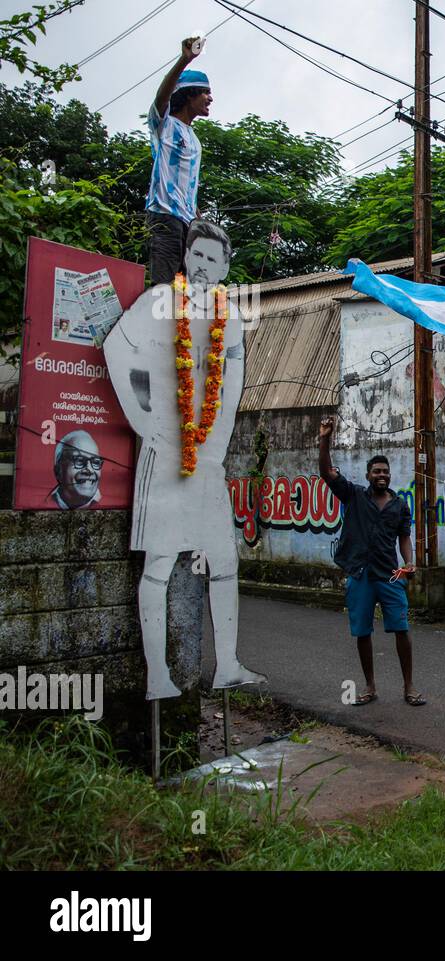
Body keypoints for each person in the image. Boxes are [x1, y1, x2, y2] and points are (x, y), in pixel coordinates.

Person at [103, 219, 263, 699]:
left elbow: (231, 385)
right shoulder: (157, 301)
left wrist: (219, 443)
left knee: (225, 560)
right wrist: (141, 419)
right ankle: (157, 677)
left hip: (208, 458)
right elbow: (115, 349)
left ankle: (228, 664)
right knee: (160, 562)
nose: (203, 266)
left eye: (213, 259)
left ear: (225, 267)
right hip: (165, 451)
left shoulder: (229, 315)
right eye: (197, 255)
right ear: (186, 257)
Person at [317, 418, 423, 707]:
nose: (381, 475)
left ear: (390, 476)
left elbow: (404, 537)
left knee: (401, 628)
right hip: (360, 574)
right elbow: (326, 472)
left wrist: (409, 562)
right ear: (368, 475)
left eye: (385, 472)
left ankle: (409, 686)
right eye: (376, 471)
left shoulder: (399, 505)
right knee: (363, 632)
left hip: (389, 575)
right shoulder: (353, 496)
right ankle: (370, 686)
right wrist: (325, 439)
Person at [147, 37, 212, 284]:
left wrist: (197, 216)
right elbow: (161, 98)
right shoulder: (164, 125)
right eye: (205, 91)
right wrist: (184, 60)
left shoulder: (195, 139)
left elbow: (187, 186)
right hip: (164, 217)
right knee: (162, 290)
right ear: (189, 95)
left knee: (186, 293)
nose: (210, 98)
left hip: (188, 224)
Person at [47, 430, 102, 509]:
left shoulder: (110, 504)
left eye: (96, 462)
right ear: (58, 471)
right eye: (79, 460)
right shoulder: (41, 503)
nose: (90, 470)